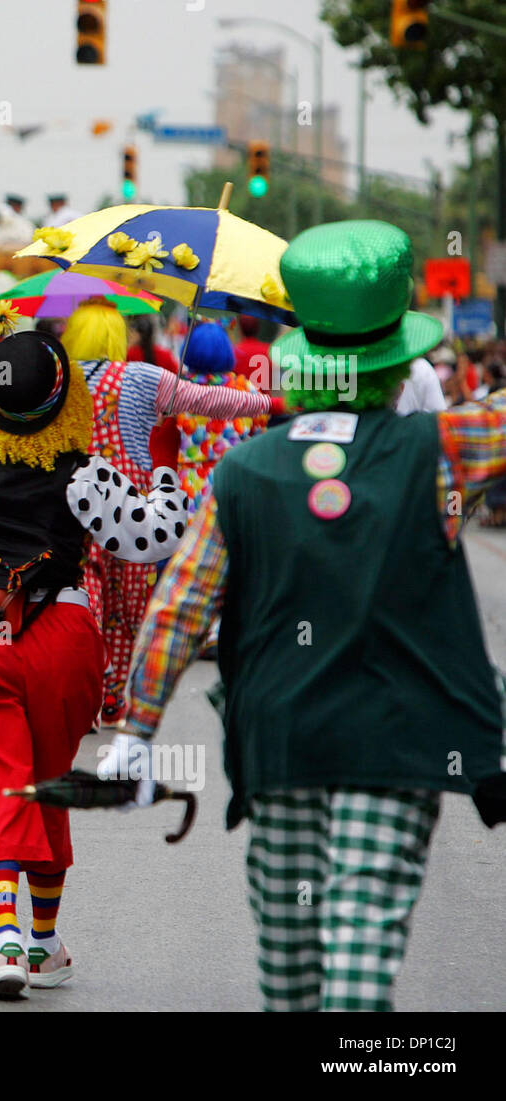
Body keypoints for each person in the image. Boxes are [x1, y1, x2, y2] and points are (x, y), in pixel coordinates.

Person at [121, 220, 506, 1012]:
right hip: (399, 738)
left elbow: (182, 603)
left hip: (282, 734)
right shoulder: (443, 446)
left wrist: (136, 728)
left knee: (288, 967)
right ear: (400, 361)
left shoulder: (244, 469)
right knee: (362, 946)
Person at [0, 329, 187, 999]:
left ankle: (6, 941)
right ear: (68, 399)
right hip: (66, 640)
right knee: (47, 779)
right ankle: (45, 943)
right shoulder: (87, 473)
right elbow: (154, 537)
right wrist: (165, 468)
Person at [61, 299, 282, 723]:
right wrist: (271, 405)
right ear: (116, 337)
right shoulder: (144, 378)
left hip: (78, 505)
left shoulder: (62, 379)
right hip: (134, 512)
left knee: (81, 599)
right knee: (129, 611)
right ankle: (112, 697)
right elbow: (209, 400)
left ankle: (91, 676)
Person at [174, 321, 268, 514]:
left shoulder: (175, 390)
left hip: (183, 488)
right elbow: (259, 440)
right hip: (233, 485)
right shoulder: (247, 391)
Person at [231, 314, 271, 379]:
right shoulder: (269, 351)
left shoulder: (233, 352)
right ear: (258, 328)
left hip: (239, 389)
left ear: (240, 328)